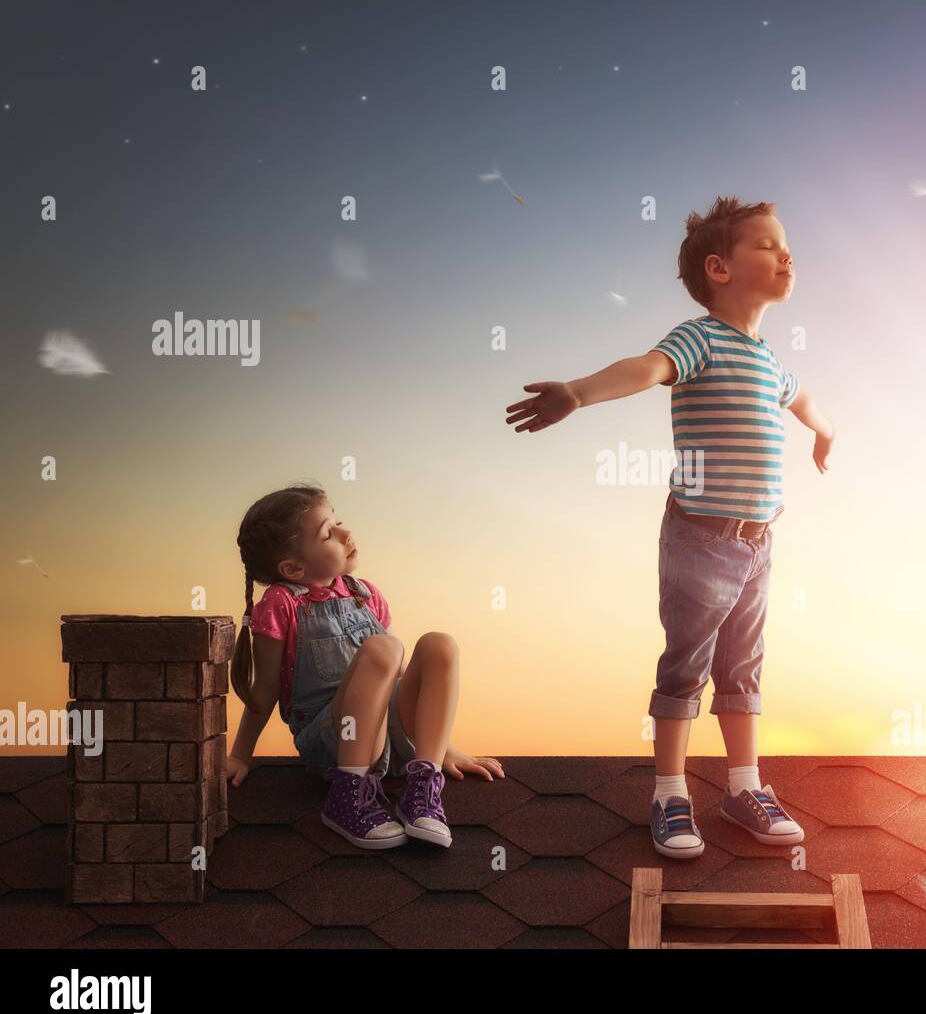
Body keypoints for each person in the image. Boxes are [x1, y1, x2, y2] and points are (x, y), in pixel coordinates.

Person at [505, 196, 835, 858]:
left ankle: (744, 786)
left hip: (757, 541)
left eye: (784, 243)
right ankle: (669, 792)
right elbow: (645, 368)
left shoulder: (770, 359)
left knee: (743, 664)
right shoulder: (699, 338)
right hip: (700, 538)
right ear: (719, 267)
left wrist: (823, 430)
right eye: (767, 244)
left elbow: (799, 396)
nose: (785, 253)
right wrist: (578, 389)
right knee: (686, 665)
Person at [228, 481, 503, 849]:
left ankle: (423, 784)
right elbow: (264, 691)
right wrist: (240, 755)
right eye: (328, 533)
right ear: (292, 568)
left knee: (440, 645)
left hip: (387, 734)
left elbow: (401, 680)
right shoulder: (282, 604)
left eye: (338, 521)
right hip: (333, 740)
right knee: (383, 648)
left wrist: (443, 745)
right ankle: (348, 794)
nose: (345, 533)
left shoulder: (365, 593)